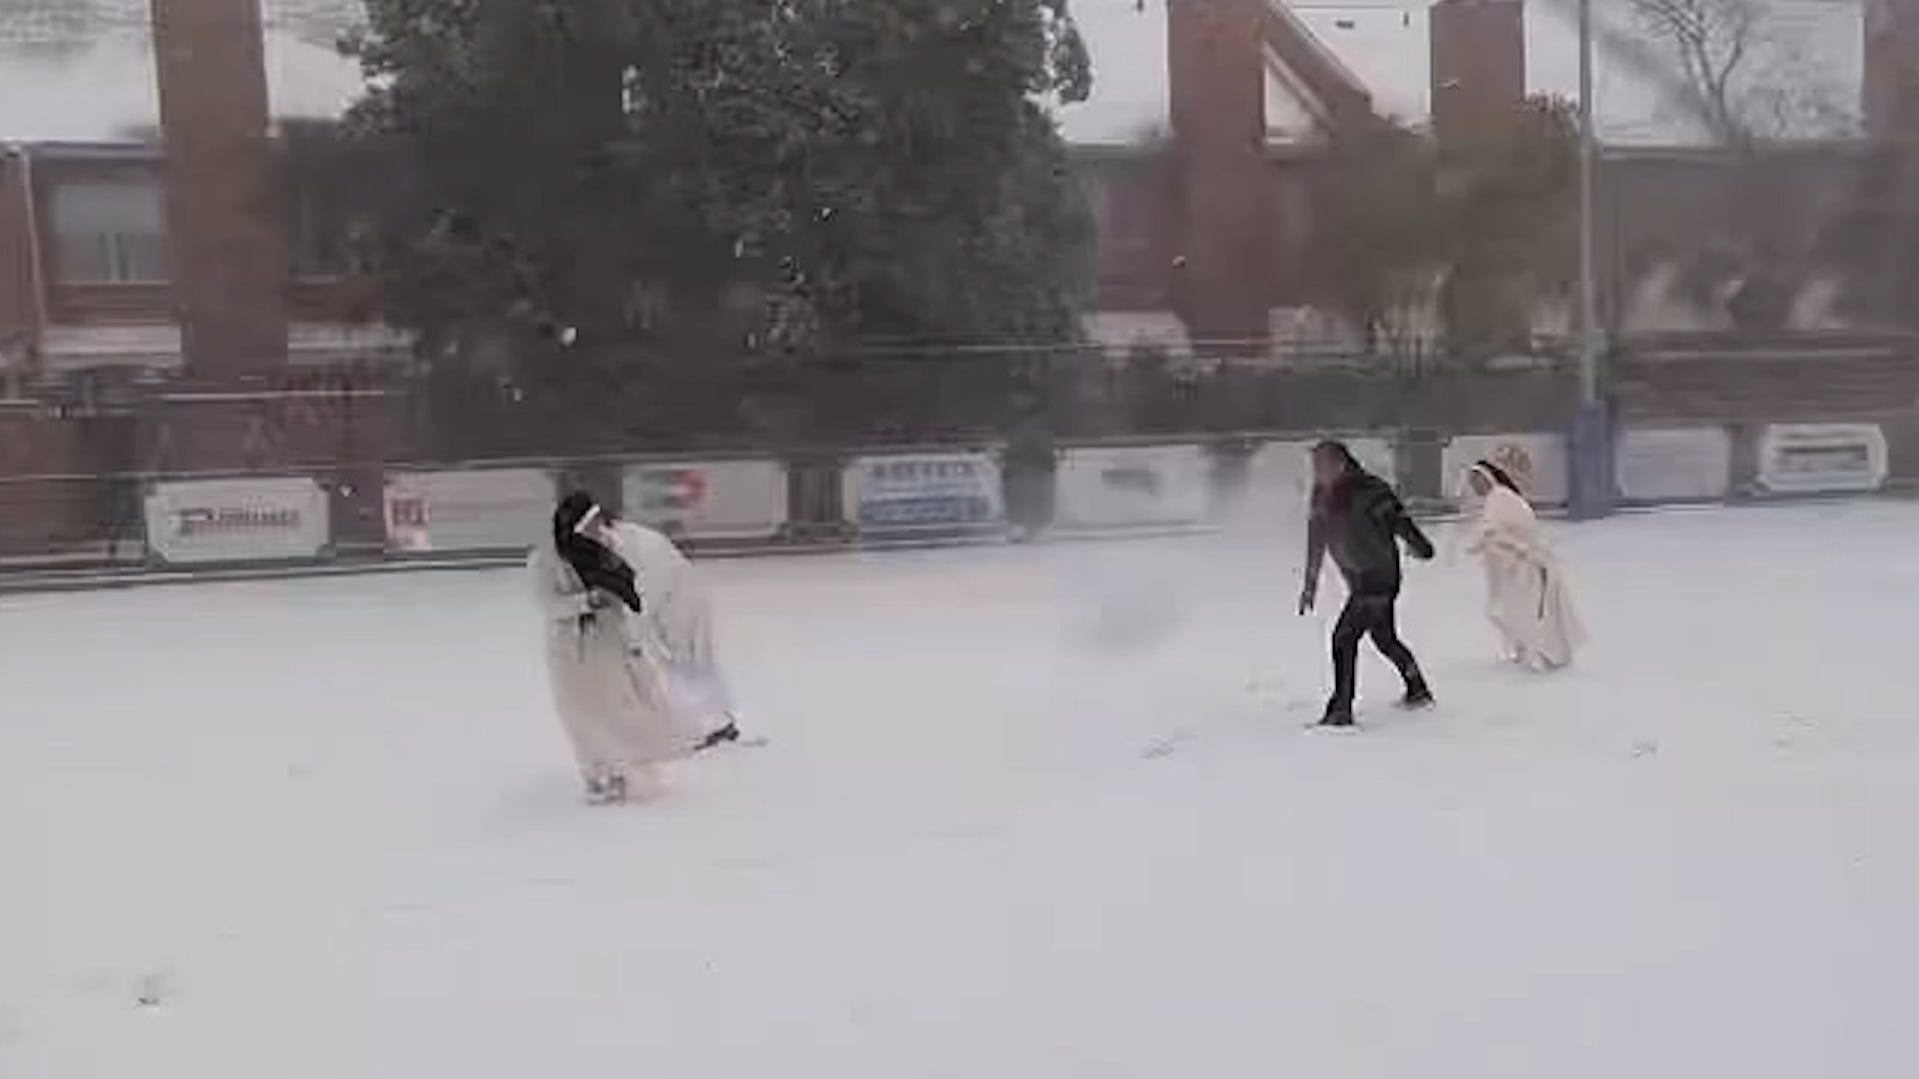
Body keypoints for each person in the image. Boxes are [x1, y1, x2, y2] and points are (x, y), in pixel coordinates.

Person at [529, 492, 739, 805]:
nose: (597, 531)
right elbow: (548, 602)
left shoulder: (621, 549)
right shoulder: (547, 561)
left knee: (627, 708)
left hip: (612, 644)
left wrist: (631, 636)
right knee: (583, 715)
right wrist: (588, 603)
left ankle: (697, 729)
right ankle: (600, 775)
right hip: (573, 653)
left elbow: (637, 596)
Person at [1299, 441, 1435, 727]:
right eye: (1314, 467)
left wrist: (1422, 547)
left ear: (1341, 464)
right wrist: (1309, 583)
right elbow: (1317, 538)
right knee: (1384, 638)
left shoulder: (1372, 491)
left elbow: (1401, 522)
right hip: (1356, 577)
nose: (1317, 473)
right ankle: (1417, 688)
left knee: (1343, 639)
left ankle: (1341, 709)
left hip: (1380, 576)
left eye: (1321, 466)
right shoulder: (1321, 496)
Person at [1462, 461, 1585, 670]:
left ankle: (1540, 653)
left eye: (1477, 480)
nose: (1474, 486)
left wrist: (1479, 542)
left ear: (1488, 479)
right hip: (1517, 566)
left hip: (1523, 567)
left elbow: (1492, 530)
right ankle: (1530, 650)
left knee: (1520, 610)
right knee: (1516, 609)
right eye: (1471, 482)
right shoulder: (1500, 498)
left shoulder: (1499, 498)